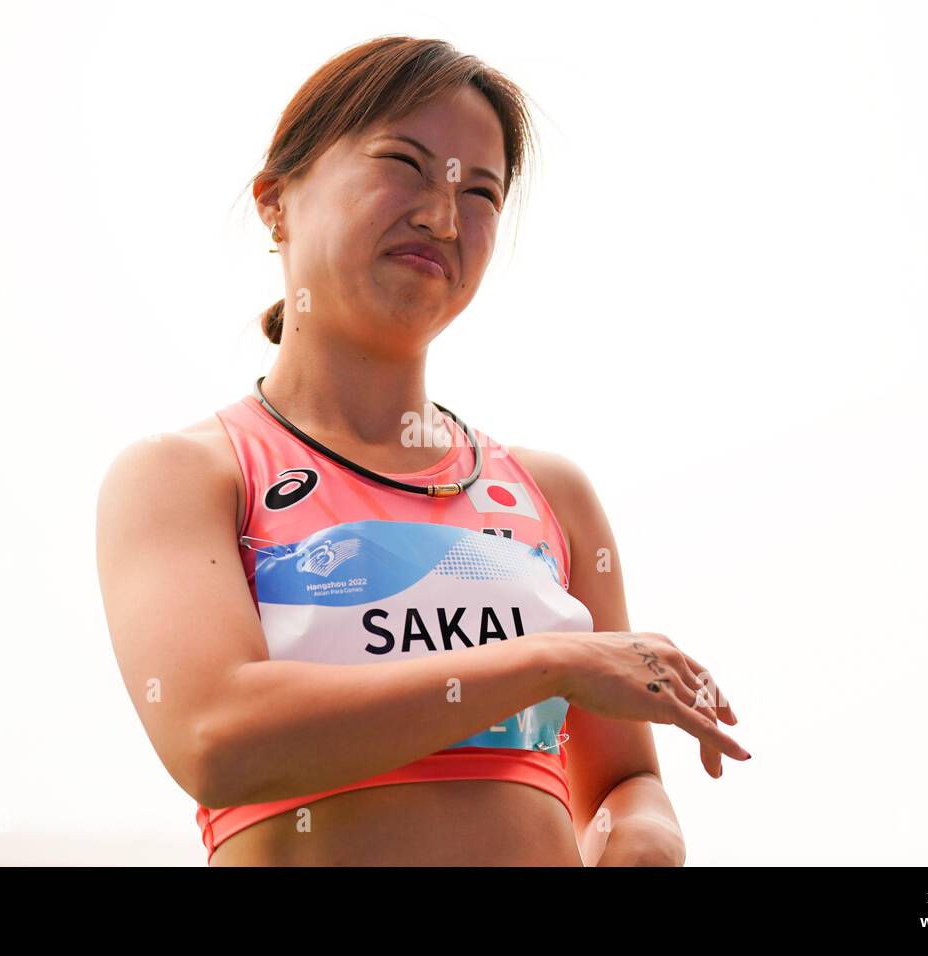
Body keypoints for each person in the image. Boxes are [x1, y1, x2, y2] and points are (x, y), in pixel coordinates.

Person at [95, 35, 749, 867]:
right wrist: (552, 659)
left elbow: (620, 782)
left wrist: (644, 840)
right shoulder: (187, 476)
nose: (443, 217)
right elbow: (216, 738)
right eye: (404, 164)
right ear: (275, 201)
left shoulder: (551, 494)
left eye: (480, 192)